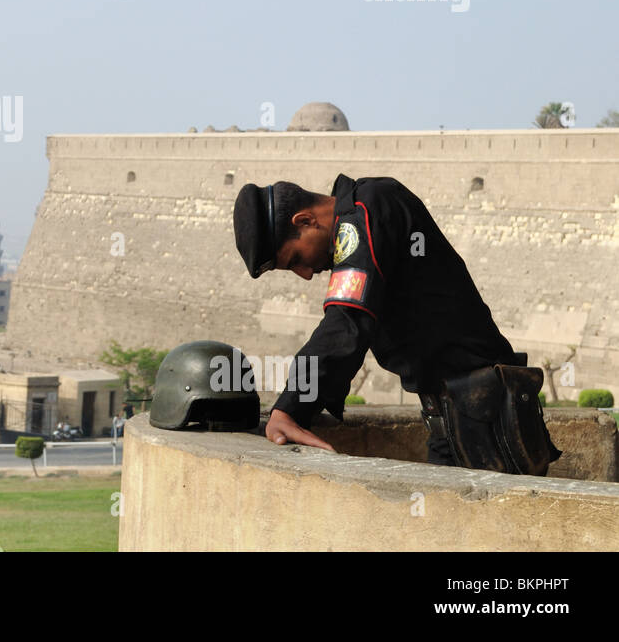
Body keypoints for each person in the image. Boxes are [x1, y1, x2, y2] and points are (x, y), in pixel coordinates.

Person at [232, 175, 560, 474]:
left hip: (489, 422)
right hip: (455, 418)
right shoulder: (360, 215)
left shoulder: (368, 208)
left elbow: (347, 322)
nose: (305, 274)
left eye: (295, 261)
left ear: (305, 220)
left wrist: (289, 407)